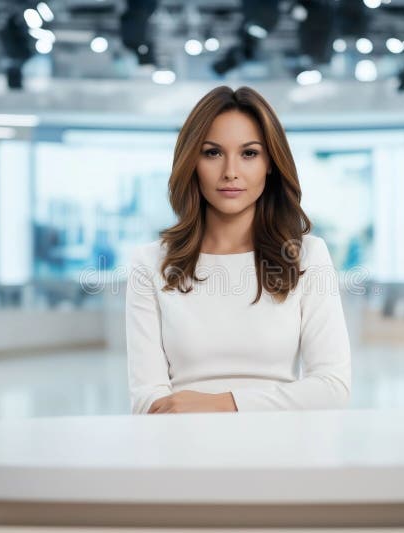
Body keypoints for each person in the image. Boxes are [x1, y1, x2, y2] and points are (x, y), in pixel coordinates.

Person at [126, 86, 351, 414]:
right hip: (183, 449)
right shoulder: (150, 263)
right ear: (192, 162)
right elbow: (147, 400)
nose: (230, 171)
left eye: (249, 153)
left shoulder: (307, 256)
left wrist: (223, 403)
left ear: (270, 163)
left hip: (280, 449)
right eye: (212, 153)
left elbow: (333, 386)